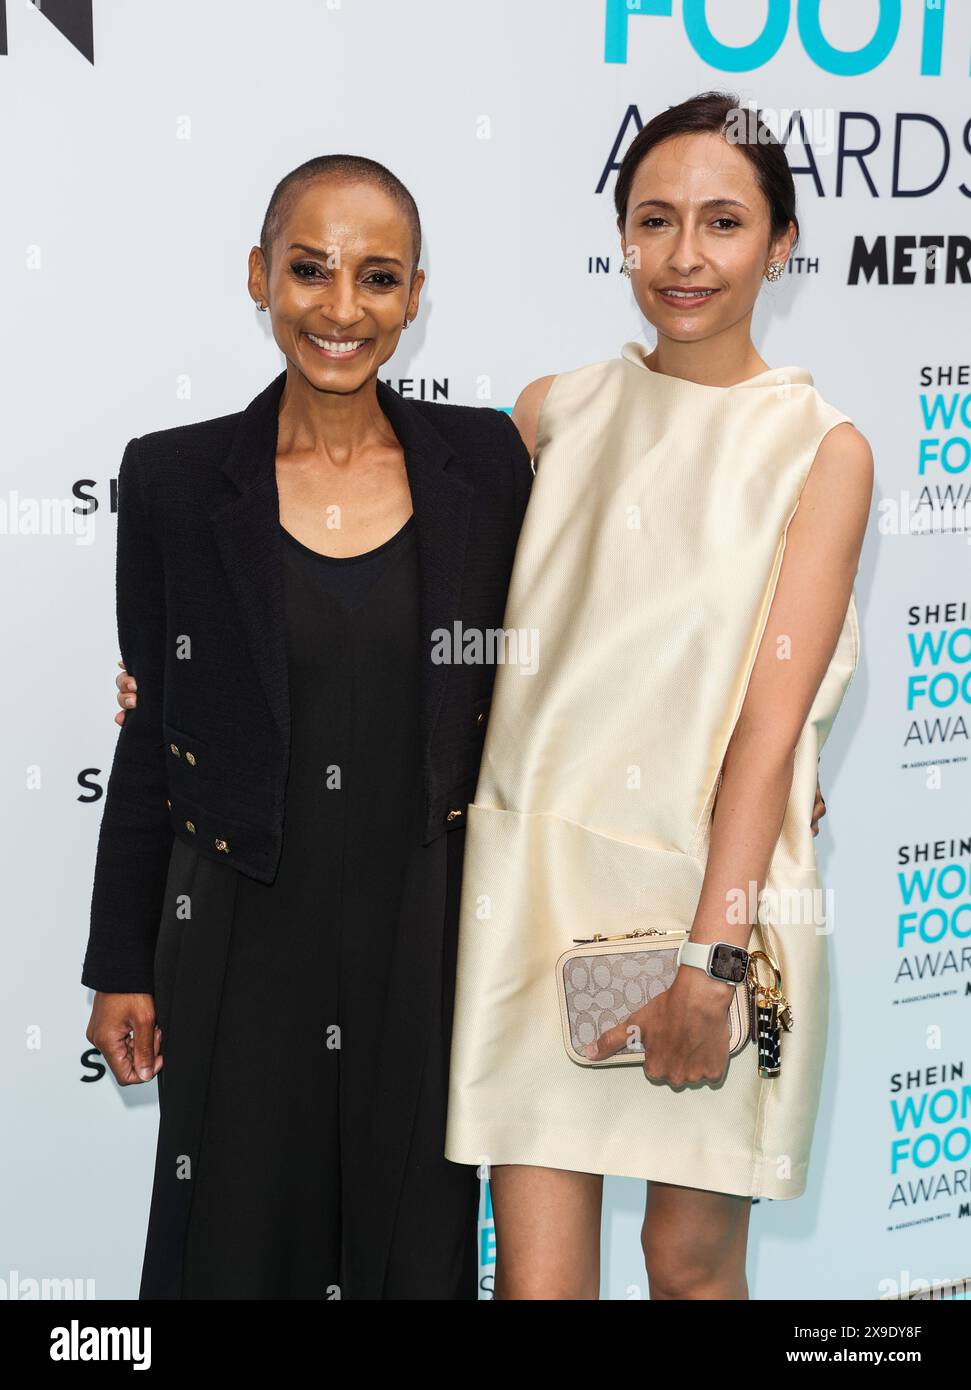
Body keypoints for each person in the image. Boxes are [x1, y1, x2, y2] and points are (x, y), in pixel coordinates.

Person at [443, 91, 873, 1300]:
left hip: (710, 894)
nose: (684, 257)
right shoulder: (549, 412)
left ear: (780, 244)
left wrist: (713, 958)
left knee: (686, 1268)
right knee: (536, 1285)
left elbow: (768, 728)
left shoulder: (819, 448)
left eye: (724, 223)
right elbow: (426, 621)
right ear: (620, 235)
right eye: (654, 221)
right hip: (531, 888)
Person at [82, 154, 533, 1300]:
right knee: (231, 1249)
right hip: (237, 920)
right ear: (258, 275)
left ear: (416, 294)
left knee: (410, 1247)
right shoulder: (178, 479)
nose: (342, 309)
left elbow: (568, 653)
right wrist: (121, 960)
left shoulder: (483, 462)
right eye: (310, 269)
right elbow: (154, 728)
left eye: (377, 277)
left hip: (424, 928)